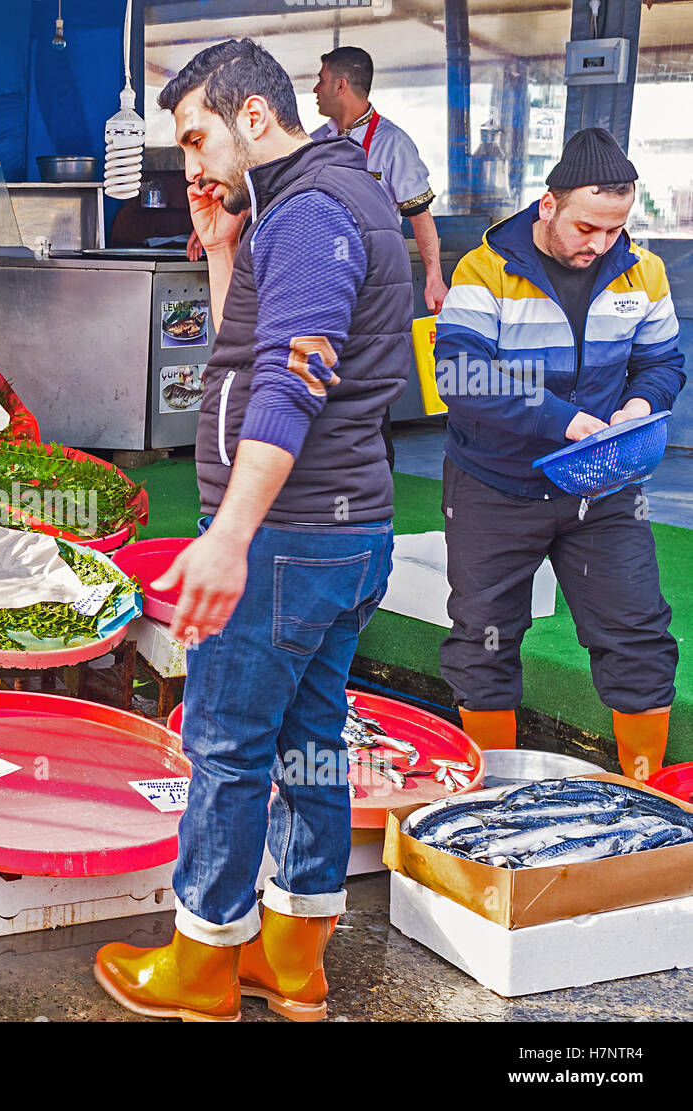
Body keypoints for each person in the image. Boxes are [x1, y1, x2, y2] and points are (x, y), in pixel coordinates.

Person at [92, 38, 412, 1023]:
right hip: (342, 533)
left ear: (253, 119)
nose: (189, 161)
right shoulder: (318, 200)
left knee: (226, 745)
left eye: (196, 137)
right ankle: (292, 955)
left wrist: (229, 535)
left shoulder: (313, 215)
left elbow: (293, 378)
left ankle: (200, 964)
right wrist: (225, 247)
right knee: (308, 738)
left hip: (286, 537)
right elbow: (253, 346)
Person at [434, 127, 684, 780]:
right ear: (549, 205)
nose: (599, 245)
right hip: (493, 486)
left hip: (601, 488)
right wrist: (566, 420)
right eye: (586, 227)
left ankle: (641, 792)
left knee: (638, 637)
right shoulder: (483, 270)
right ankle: (487, 794)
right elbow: (458, 374)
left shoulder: (644, 272)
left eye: (613, 229)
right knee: (483, 644)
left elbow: (661, 361)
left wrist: (639, 406)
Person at [311, 46, 448, 314]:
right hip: (324, 277)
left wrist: (434, 278)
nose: (316, 89)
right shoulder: (314, 142)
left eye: (321, 80)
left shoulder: (393, 143)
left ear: (340, 86)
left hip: (376, 279)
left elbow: (420, 215)